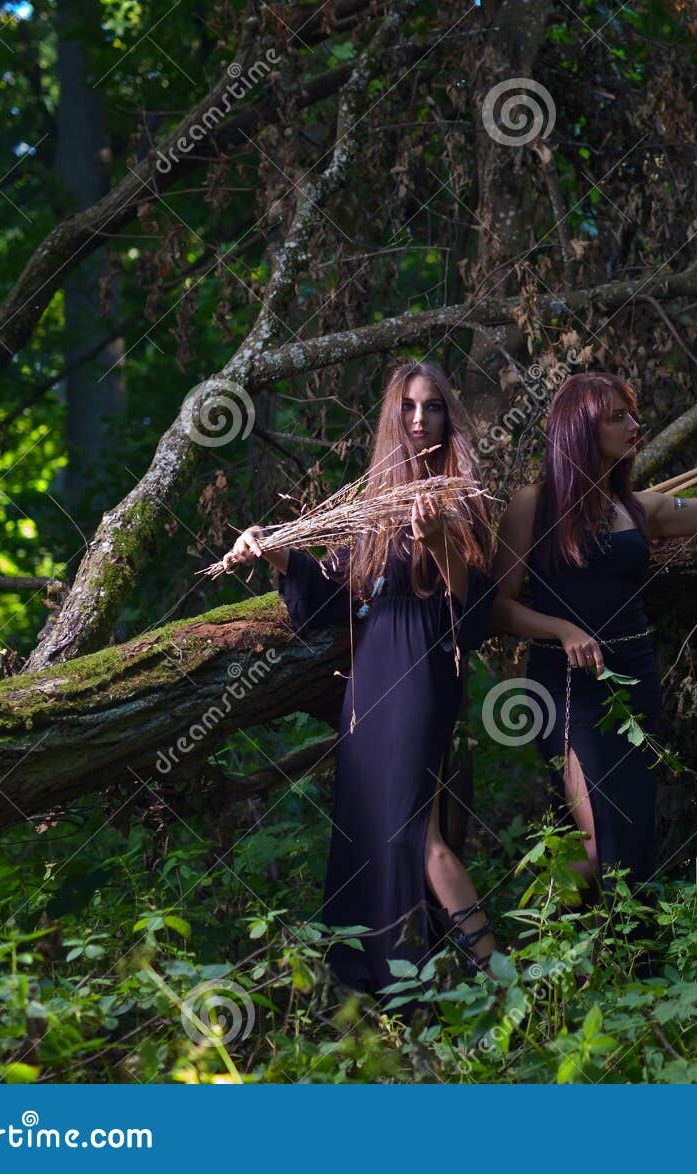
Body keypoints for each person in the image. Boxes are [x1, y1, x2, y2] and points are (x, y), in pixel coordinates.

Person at [222, 360, 500, 995]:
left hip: (424, 671)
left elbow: (472, 606)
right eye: (407, 407)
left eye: (432, 407)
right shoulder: (376, 506)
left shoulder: (463, 496)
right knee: (371, 824)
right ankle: (381, 986)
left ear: (447, 417)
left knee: (414, 833)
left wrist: (439, 543)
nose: (420, 419)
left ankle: (504, 982)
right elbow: (333, 593)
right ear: (392, 419)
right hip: (370, 680)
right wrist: (274, 547)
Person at [488, 370, 697, 895]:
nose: (634, 425)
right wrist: (562, 629)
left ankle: (616, 960)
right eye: (617, 416)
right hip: (567, 689)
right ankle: (536, 953)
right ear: (580, 429)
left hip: (635, 679)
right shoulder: (531, 506)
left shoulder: (638, 509)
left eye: (633, 413)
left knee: (630, 834)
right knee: (601, 836)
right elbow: (498, 608)